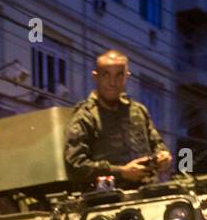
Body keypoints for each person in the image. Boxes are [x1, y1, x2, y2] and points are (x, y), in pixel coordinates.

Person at [63, 50, 172, 190]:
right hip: (106, 199)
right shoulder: (85, 116)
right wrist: (121, 172)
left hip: (148, 192)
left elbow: (157, 144)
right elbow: (74, 166)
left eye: (119, 75)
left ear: (126, 77)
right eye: (106, 75)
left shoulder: (138, 111)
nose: (112, 82)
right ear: (95, 77)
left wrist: (163, 156)